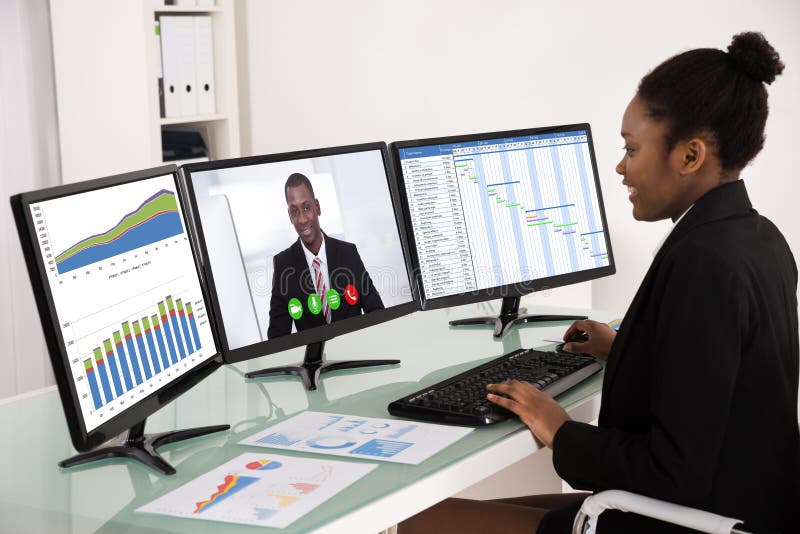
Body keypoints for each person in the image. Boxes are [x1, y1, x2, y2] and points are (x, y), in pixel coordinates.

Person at [399, 32, 798, 533]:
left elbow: (674, 471)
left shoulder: (705, 263)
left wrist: (560, 430)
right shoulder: (757, 238)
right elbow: (721, 381)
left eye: (631, 149)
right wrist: (629, 349)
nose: (620, 167)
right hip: (741, 509)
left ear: (690, 156)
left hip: (690, 520)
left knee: (412, 524)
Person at [267, 172, 384, 338]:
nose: (301, 219)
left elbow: (377, 313)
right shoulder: (283, 264)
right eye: (294, 212)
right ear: (290, 216)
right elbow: (277, 339)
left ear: (317, 207)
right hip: (316, 362)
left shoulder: (348, 253)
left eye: (306, 208)